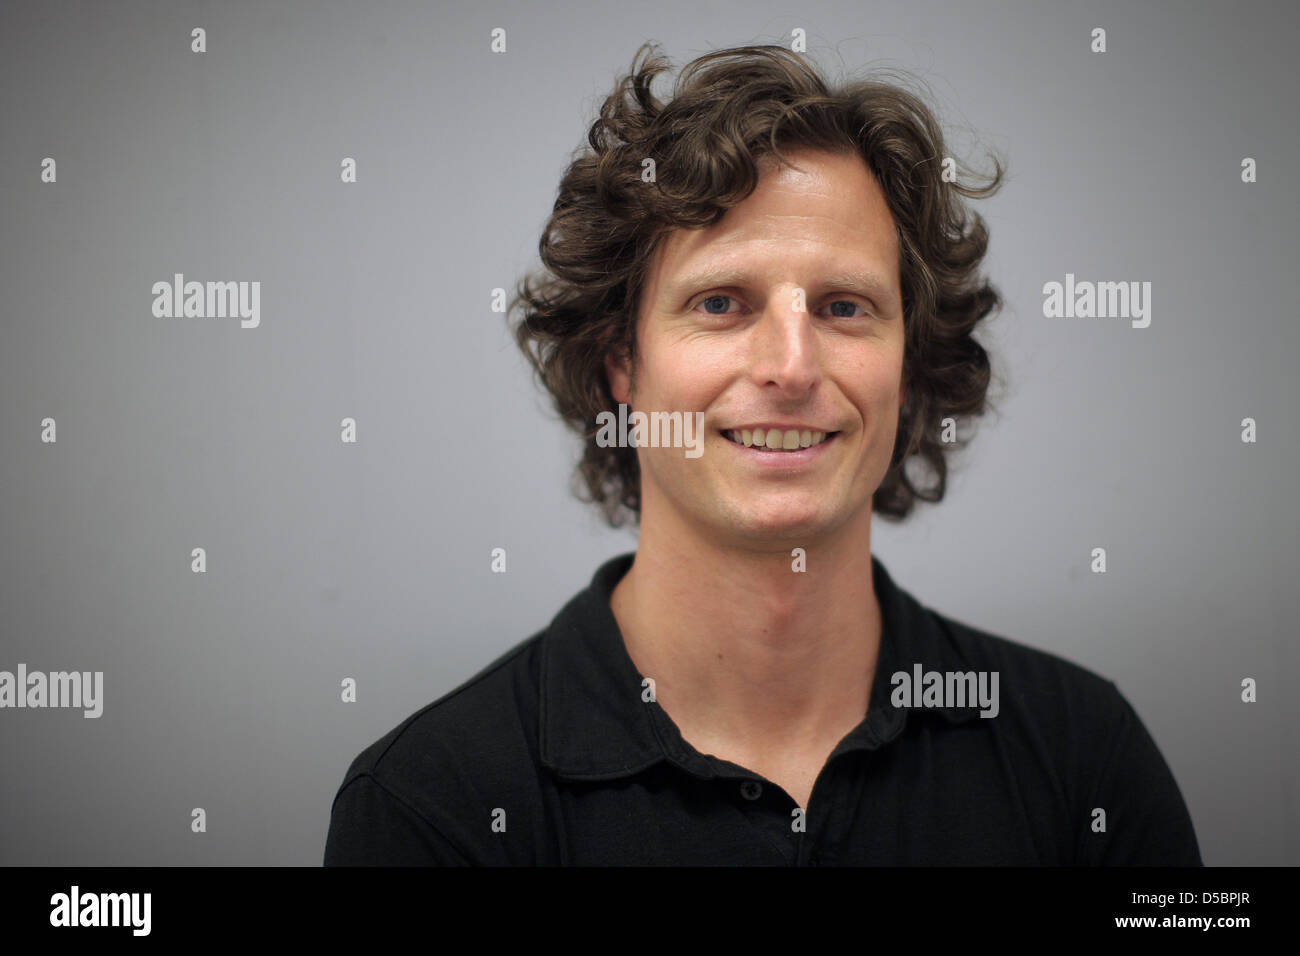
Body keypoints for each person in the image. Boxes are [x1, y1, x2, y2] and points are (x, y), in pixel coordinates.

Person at [323, 42, 1201, 865]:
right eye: (720, 303)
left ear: (910, 365)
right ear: (621, 362)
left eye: (844, 306)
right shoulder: (430, 805)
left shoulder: (1086, 756)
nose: (791, 366)